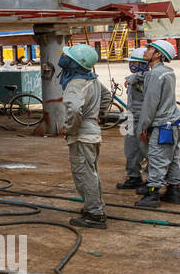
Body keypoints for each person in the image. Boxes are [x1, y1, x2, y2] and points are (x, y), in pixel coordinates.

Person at [57, 43, 107, 230]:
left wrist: (70, 128)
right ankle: (93, 206)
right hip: (92, 133)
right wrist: (99, 115)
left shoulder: (75, 83)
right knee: (91, 173)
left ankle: (95, 214)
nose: (63, 58)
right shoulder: (92, 80)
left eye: (67, 57)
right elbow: (107, 96)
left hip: (82, 136)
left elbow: (74, 109)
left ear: (74, 63)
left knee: (84, 175)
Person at [135, 39, 180, 208]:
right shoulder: (167, 72)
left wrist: (143, 127)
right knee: (173, 158)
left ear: (158, 54)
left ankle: (153, 194)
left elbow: (150, 104)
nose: (145, 51)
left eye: (150, 49)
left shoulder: (154, 75)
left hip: (162, 125)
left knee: (157, 159)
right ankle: (173, 191)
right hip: (173, 123)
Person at [115, 47, 150, 190]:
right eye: (131, 63)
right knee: (130, 149)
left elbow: (147, 77)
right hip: (131, 118)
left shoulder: (149, 78)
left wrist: (146, 125)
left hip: (142, 120)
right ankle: (133, 177)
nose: (131, 65)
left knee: (148, 151)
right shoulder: (133, 79)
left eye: (134, 62)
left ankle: (152, 184)